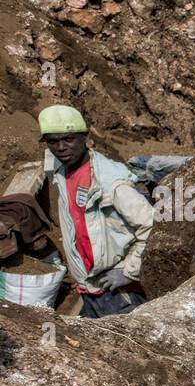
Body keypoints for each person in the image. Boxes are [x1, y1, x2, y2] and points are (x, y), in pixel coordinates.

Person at [7, 105, 156, 317]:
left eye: (68, 139)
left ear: (85, 137)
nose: (61, 148)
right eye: (53, 142)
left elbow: (152, 226)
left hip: (117, 292)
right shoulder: (61, 172)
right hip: (89, 289)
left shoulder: (111, 183)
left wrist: (129, 272)